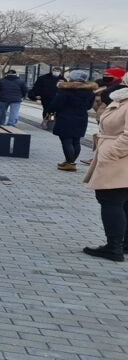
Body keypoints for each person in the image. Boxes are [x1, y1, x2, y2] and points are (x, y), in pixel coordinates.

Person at [81, 76, 128, 262]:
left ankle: (114, 247)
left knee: (111, 201)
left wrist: (111, 153)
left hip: (119, 160)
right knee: (121, 202)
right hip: (118, 159)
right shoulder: (121, 99)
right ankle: (122, 244)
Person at [49, 70, 99, 170]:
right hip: (81, 118)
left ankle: (70, 163)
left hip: (65, 118)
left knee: (66, 141)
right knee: (76, 141)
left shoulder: (65, 90)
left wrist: (50, 110)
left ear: (72, 78)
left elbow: (56, 104)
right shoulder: (89, 92)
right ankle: (70, 162)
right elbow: (89, 106)